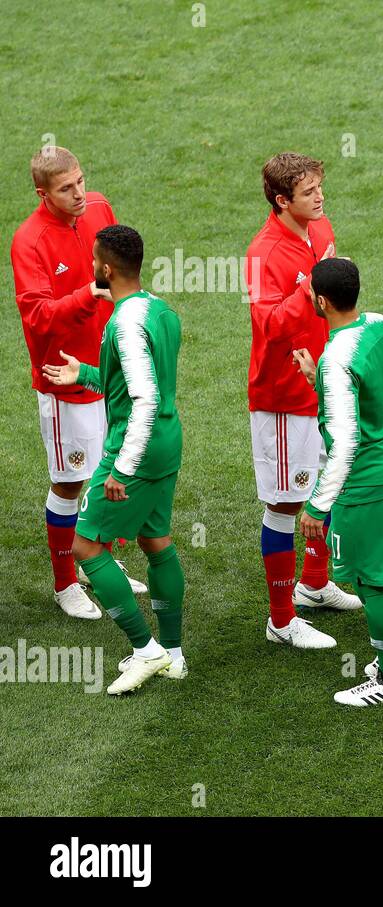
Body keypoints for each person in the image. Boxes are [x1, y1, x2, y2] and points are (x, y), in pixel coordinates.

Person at [43, 225, 187, 695]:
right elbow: (138, 383)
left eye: (93, 261)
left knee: (85, 547)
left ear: (105, 269)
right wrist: (83, 373)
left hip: (136, 448)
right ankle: (175, 655)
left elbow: (142, 398)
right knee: (155, 539)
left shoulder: (124, 324)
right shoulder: (158, 310)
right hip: (167, 440)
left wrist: (122, 468)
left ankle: (146, 651)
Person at [11, 145, 146, 619]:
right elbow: (37, 316)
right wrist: (86, 296)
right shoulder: (29, 241)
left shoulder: (100, 208)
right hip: (64, 381)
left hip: (110, 372)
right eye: (66, 188)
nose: (79, 194)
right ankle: (66, 582)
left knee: (109, 469)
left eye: (81, 181)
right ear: (42, 192)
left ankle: (97, 559)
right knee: (70, 482)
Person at [247, 152, 360, 652]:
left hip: (322, 382)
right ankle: (281, 618)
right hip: (283, 396)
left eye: (320, 188)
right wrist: (309, 290)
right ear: (281, 200)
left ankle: (313, 585)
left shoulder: (320, 226)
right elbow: (268, 327)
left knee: (325, 485)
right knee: (286, 503)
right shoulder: (263, 255)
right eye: (309, 192)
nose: (320, 197)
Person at [291, 258, 383, 707]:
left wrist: (317, 506)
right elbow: (369, 396)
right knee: (377, 571)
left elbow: (344, 443)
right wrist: (318, 380)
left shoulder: (335, 359)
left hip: (364, 479)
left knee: (371, 580)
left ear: (320, 302)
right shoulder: (382, 326)